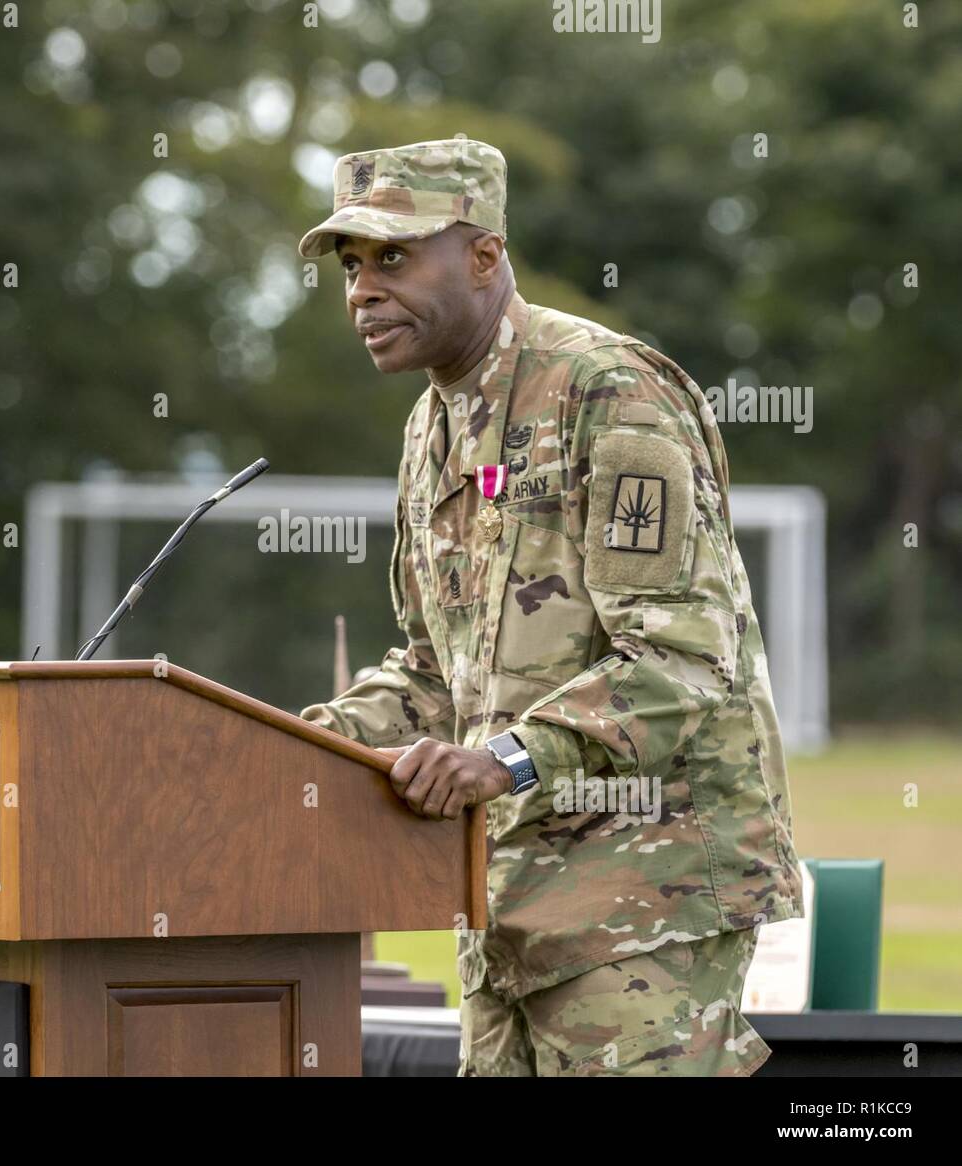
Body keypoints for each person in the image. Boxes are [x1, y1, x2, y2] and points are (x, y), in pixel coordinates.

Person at [297, 137, 804, 1076]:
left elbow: (682, 657)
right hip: (506, 895)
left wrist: (503, 761)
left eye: (393, 257)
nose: (361, 291)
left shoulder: (609, 394)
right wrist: (283, 743)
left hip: (647, 884)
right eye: (351, 265)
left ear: (484, 256)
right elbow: (429, 670)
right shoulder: (431, 426)